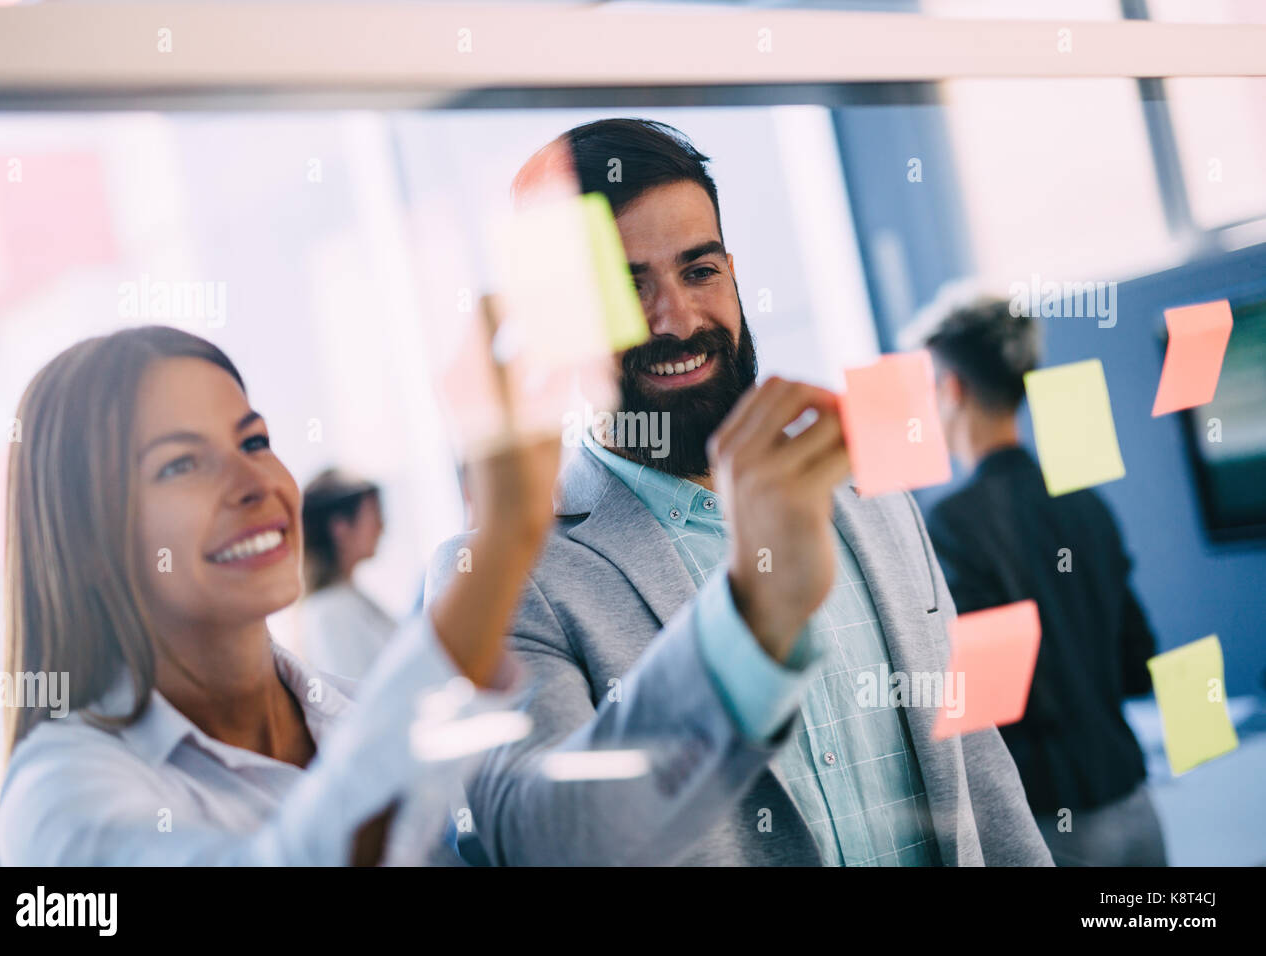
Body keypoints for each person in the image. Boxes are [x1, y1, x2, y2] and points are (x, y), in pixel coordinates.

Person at [427, 119, 1050, 866]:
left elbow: (978, 767)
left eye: (699, 271)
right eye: (628, 288)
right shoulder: (504, 578)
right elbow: (542, 841)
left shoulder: (865, 489)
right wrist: (751, 619)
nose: (679, 320)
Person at [0, 325, 558, 865]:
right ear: (88, 541)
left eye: (253, 441)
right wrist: (502, 542)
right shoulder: (56, 796)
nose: (255, 482)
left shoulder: (354, 714)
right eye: (181, 464)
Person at [921, 294, 1166, 867]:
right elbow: (1138, 661)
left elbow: (987, 699)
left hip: (1056, 831)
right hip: (1136, 809)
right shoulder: (1087, 503)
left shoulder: (954, 522)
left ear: (951, 389)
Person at [298, 469, 397, 680]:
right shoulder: (328, 614)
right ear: (340, 528)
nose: (382, 527)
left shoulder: (349, 598)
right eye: (375, 516)